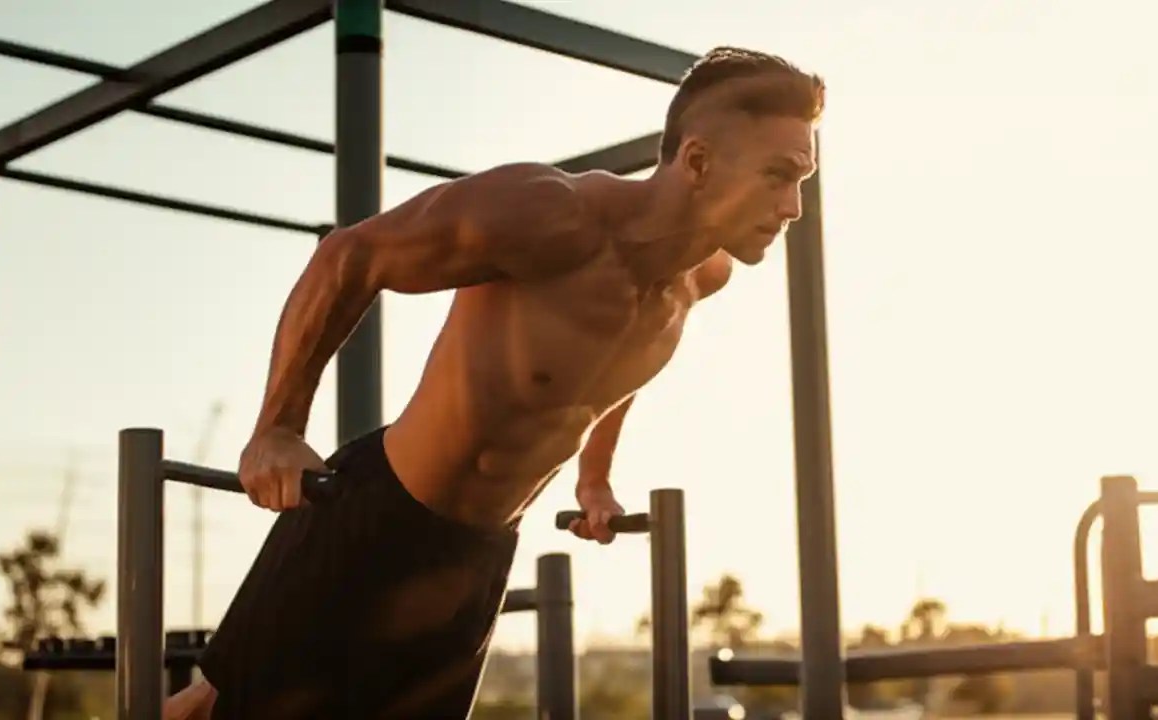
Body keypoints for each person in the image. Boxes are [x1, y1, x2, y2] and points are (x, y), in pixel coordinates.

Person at [165, 46, 824, 719]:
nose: (794, 206)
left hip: (477, 562)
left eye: (802, 179)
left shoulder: (698, 281)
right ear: (698, 161)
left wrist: (593, 477)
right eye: (778, 175)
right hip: (376, 518)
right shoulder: (549, 215)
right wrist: (278, 427)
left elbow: (618, 368)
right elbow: (350, 255)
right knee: (210, 713)